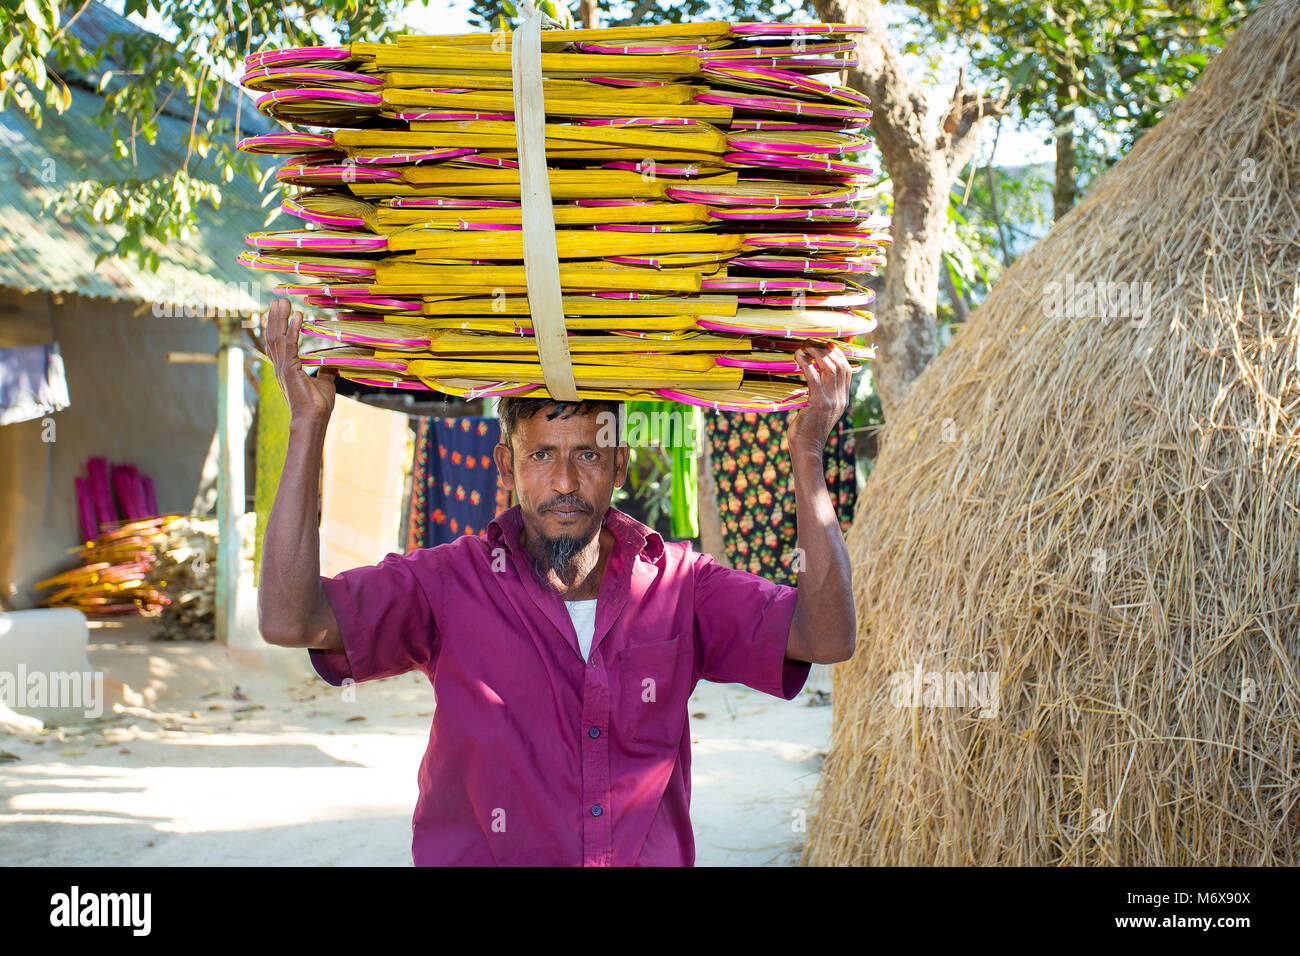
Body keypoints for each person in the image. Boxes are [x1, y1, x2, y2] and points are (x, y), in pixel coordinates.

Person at [258, 297, 857, 866]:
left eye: (589, 456)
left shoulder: (681, 586)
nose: (565, 481)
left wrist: (808, 451)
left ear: (620, 463)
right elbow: (291, 619)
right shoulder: (450, 582)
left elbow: (826, 637)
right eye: (541, 455)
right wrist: (308, 421)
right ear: (506, 465)